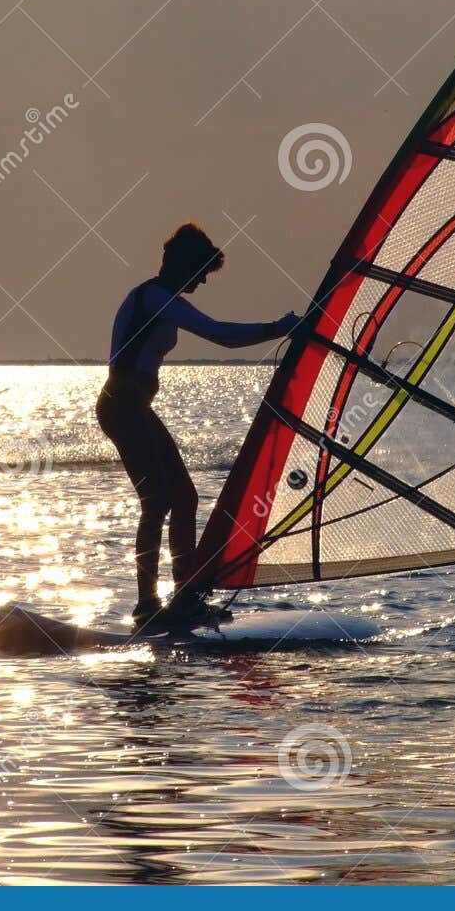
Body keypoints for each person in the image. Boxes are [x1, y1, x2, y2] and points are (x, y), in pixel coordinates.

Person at [98, 223, 301, 630]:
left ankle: (184, 595)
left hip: (133, 407)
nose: (204, 280)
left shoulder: (160, 296)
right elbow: (221, 336)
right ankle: (146, 604)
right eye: (202, 271)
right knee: (157, 502)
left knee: (185, 498)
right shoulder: (155, 296)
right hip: (122, 407)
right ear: (185, 265)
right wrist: (279, 328)